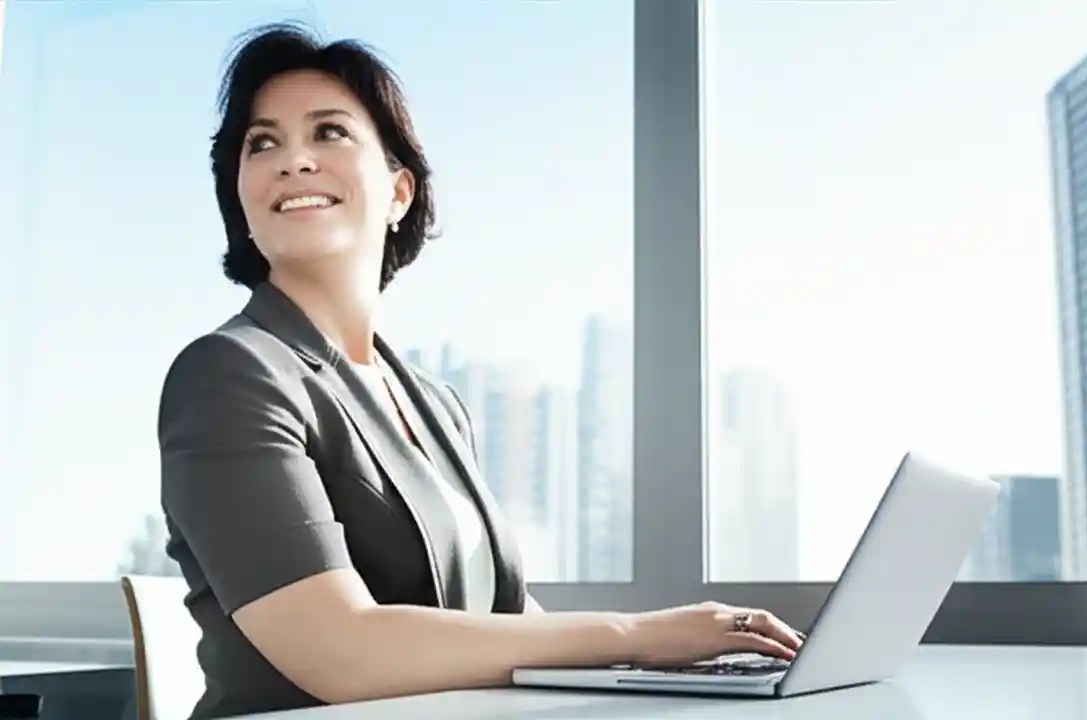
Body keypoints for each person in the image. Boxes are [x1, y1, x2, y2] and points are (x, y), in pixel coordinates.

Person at [157, 23, 803, 719]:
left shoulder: (435, 403)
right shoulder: (228, 375)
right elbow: (335, 648)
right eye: (263, 144)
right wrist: (639, 636)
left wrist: (674, 657)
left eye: (329, 133)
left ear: (399, 191)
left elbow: (512, 624)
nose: (294, 161)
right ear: (242, 197)